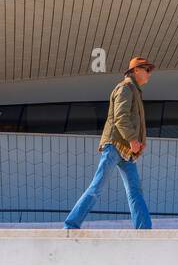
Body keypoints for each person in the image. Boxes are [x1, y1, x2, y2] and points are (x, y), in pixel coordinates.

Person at [64, 57, 155, 230]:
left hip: (126, 150)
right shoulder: (125, 88)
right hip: (115, 145)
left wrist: (137, 142)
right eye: (147, 70)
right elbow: (121, 117)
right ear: (136, 70)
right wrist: (132, 139)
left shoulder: (134, 90)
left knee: (135, 191)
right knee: (97, 187)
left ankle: (144, 229)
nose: (149, 74)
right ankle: (70, 225)